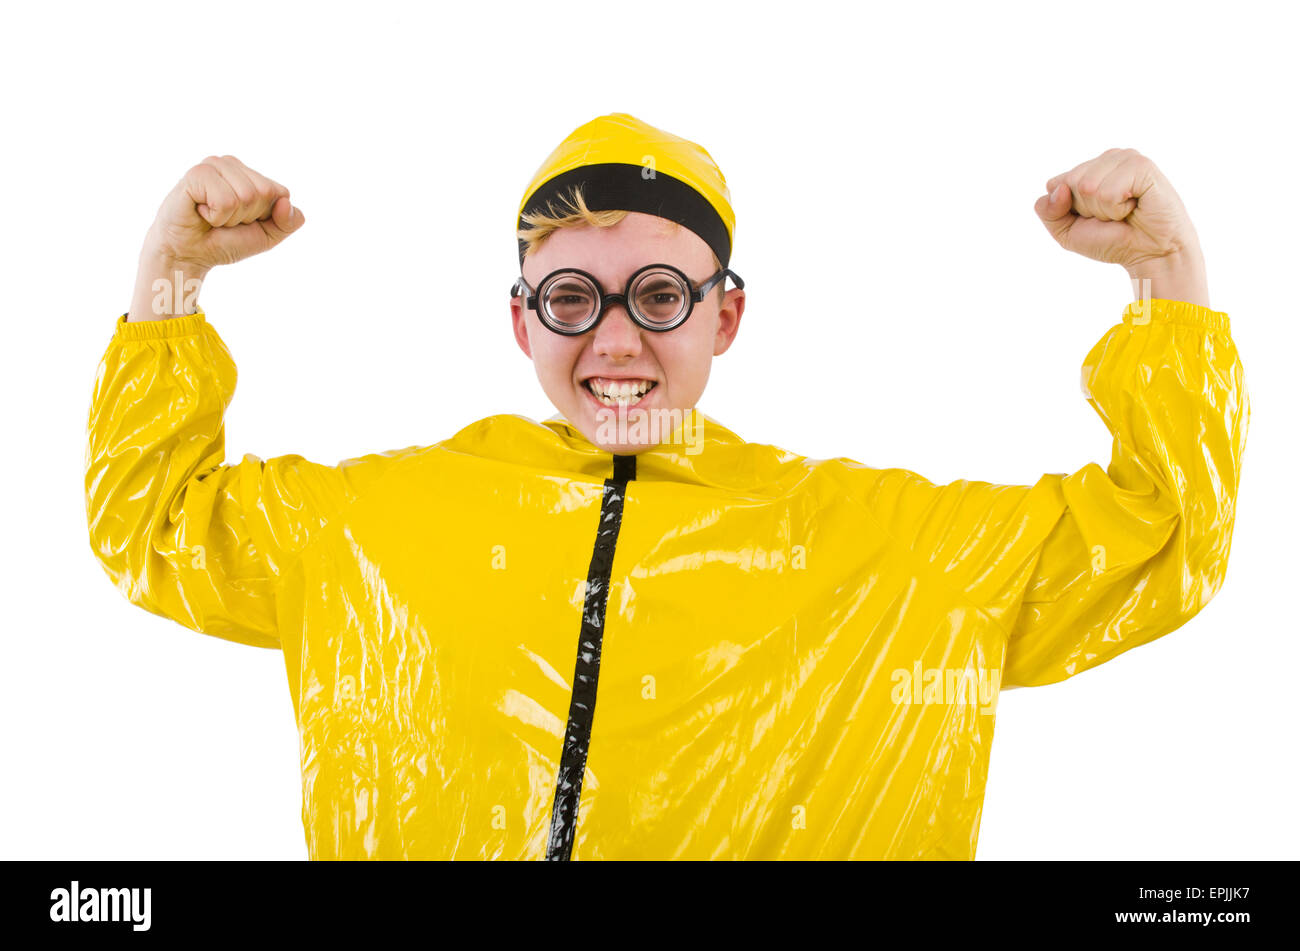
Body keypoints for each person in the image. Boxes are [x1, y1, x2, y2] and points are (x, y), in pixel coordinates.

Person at [84, 113, 1249, 860]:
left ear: (723, 314)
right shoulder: (377, 525)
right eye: (571, 300)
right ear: (520, 319)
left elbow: (1161, 534)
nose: (616, 343)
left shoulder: (882, 547)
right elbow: (154, 524)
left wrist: (1167, 275)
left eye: (658, 296)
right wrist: (171, 277)